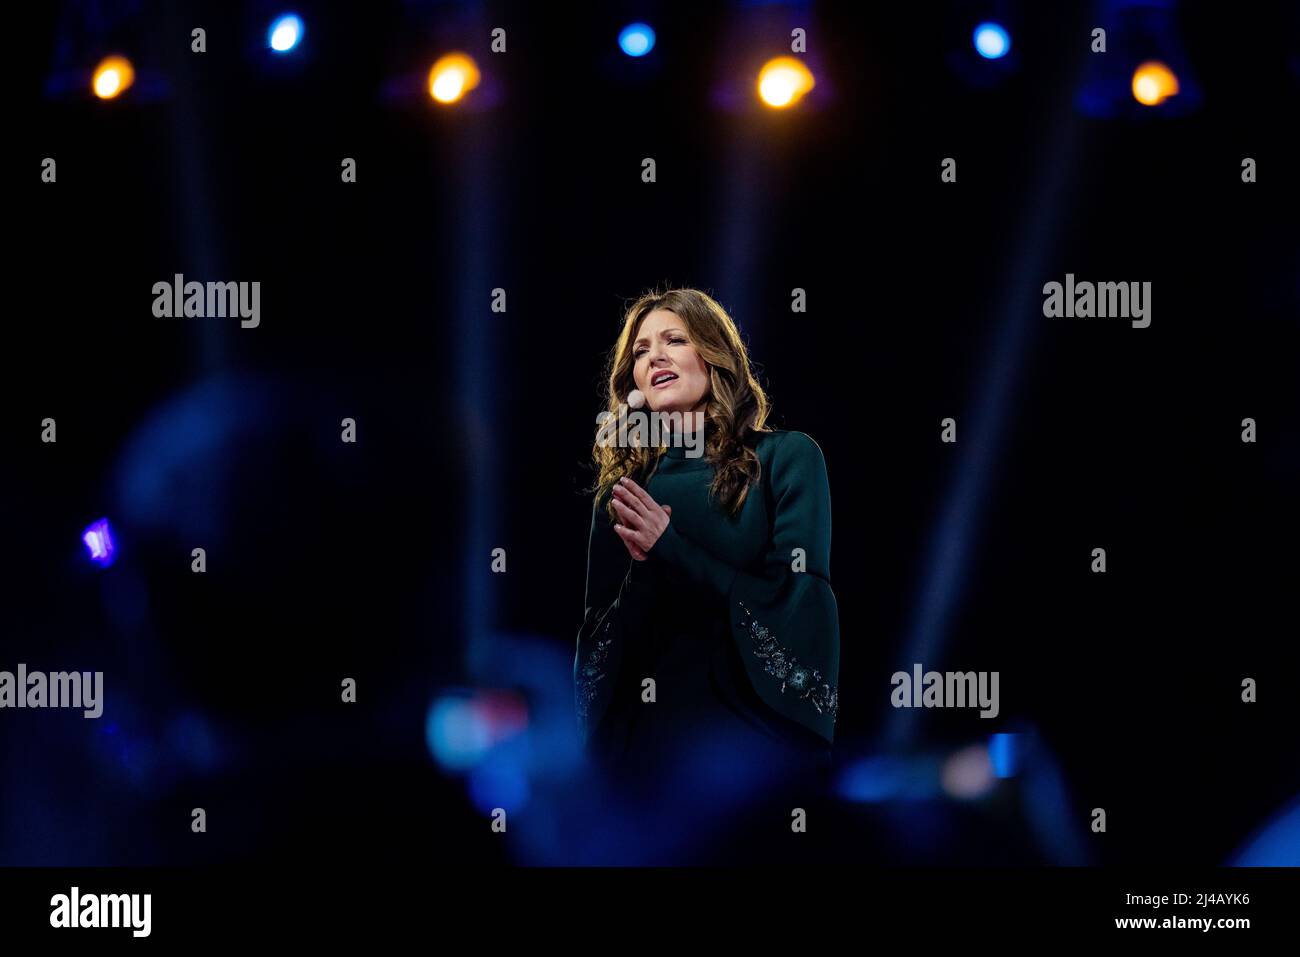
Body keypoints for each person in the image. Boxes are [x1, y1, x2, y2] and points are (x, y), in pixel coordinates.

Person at [573, 288, 840, 862]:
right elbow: (597, 638)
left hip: (751, 742)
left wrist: (673, 548)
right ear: (633, 383)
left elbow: (797, 601)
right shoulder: (622, 493)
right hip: (646, 753)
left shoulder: (787, 459)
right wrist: (643, 573)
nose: (656, 357)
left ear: (714, 355)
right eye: (641, 351)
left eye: (674, 339)